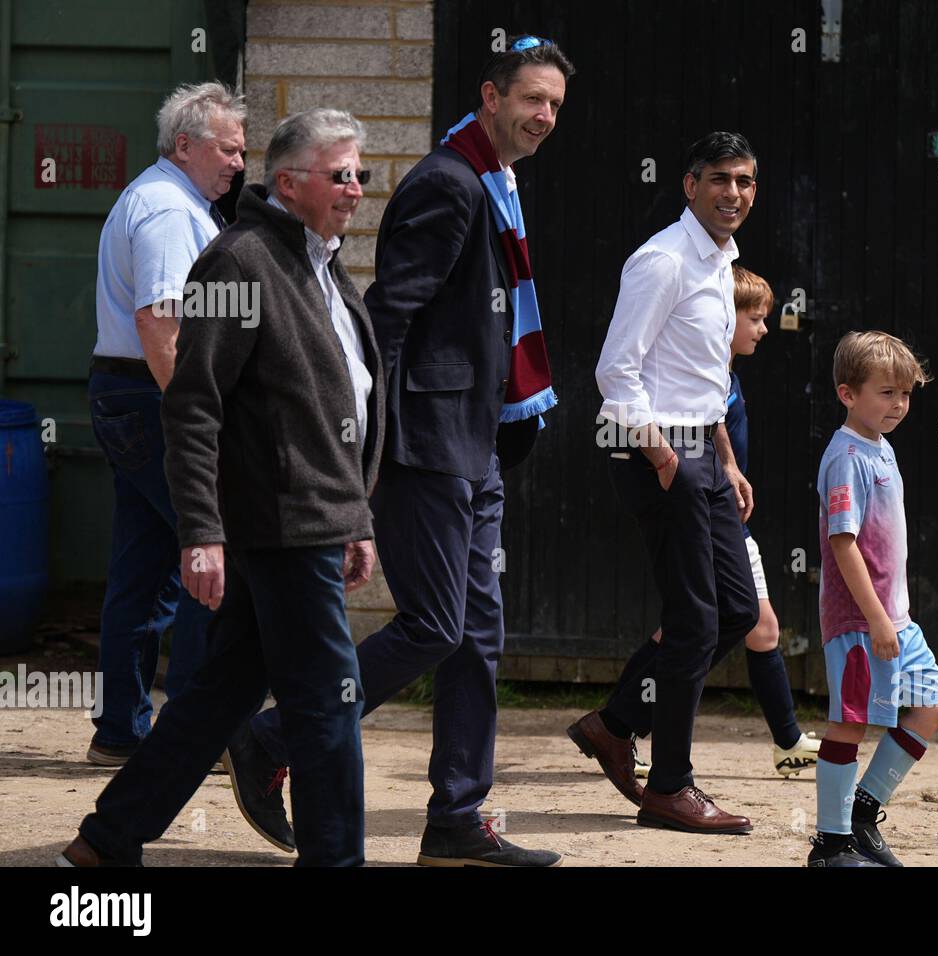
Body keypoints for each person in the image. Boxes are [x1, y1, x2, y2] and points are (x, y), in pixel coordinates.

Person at [223, 35, 571, 868]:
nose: (544, 116)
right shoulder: (450, 183)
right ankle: (272, 737)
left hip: (476, 440)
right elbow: (388, 319)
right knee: (432, 624)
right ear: (491, 98)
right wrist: (371, 449)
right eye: (531, 99)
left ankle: (457, 816)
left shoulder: (497, 180)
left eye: (555, 103)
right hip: (426, 444)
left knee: (476, 637)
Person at [59, 107, 383, 867]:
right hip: (278, 521)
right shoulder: (236, 263)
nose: (356, 189)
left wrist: (357, 513)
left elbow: (344, 402)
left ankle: (109, 838)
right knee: (328, 703)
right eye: (342, 174)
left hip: (316, 514)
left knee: (224, 689)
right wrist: (201, 532)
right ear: (291, 179)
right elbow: (195, 404)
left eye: (361, 174)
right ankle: (337, 861)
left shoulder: (320, 262)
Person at [570, 132, 762, 835]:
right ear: (689, 185)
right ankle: (669, 788)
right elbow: (616, 373)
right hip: (660, 457)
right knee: (694, 623)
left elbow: (699, 380)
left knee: (736, 611)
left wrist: (726, 461)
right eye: (720, 179)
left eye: (744, 181)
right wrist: (664, 459)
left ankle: (617, 723)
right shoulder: (662, 260)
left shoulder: (721, 261)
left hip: (702, 454)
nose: (733, 193)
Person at [86, 82, 245, 766]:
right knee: (212, 553)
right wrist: (194, 422)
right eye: (229, 148)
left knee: (144, 568)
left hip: (132, 398)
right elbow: (160, 321)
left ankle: (120, 730)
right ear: (185, 145)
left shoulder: (170, 201)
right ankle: (192, 731)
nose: (240, 162)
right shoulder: (169, 209)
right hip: (154, 401)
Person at [628, 266, 820, 780]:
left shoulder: (726, 376)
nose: (762, 328)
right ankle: (623, 720)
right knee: (699, 627)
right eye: (753, 318)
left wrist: (732, 468)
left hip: (728, 515)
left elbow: (718, 435)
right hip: (711, 515)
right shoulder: (699, 371)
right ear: (721, 316)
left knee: (753, 626)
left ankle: (786, 740)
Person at [806, 331, 938, 868]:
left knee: (932, 706)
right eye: (886, 393)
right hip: (861, 623)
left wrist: (892, 619)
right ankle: (830, 845)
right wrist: (875, 619)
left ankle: (862, 814)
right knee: (850, 723)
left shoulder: (882, 448)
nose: (899, 405)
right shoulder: (845, 457)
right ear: (847, 394)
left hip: (895, 619)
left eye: (906, 394)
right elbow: (842, 544)